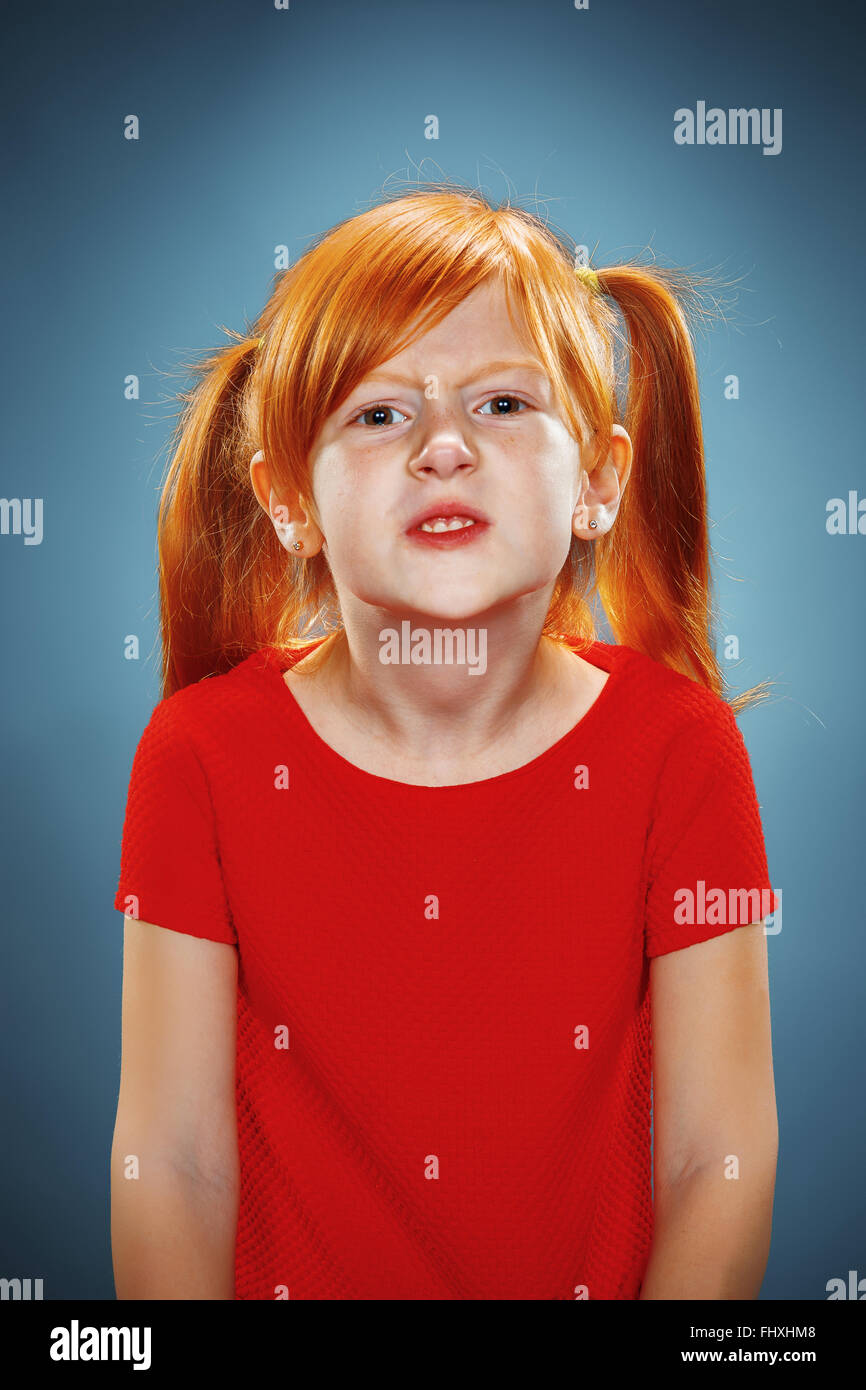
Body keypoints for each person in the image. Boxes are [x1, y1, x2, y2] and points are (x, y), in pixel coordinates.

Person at [110, 183, 779, 1300]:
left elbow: (715, 1161)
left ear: (598, 483)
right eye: (378, 414)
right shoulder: (201, 758)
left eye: (503, 405)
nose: (442, 448)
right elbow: (168, 1168)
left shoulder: (678, 750)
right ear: (289, 504)